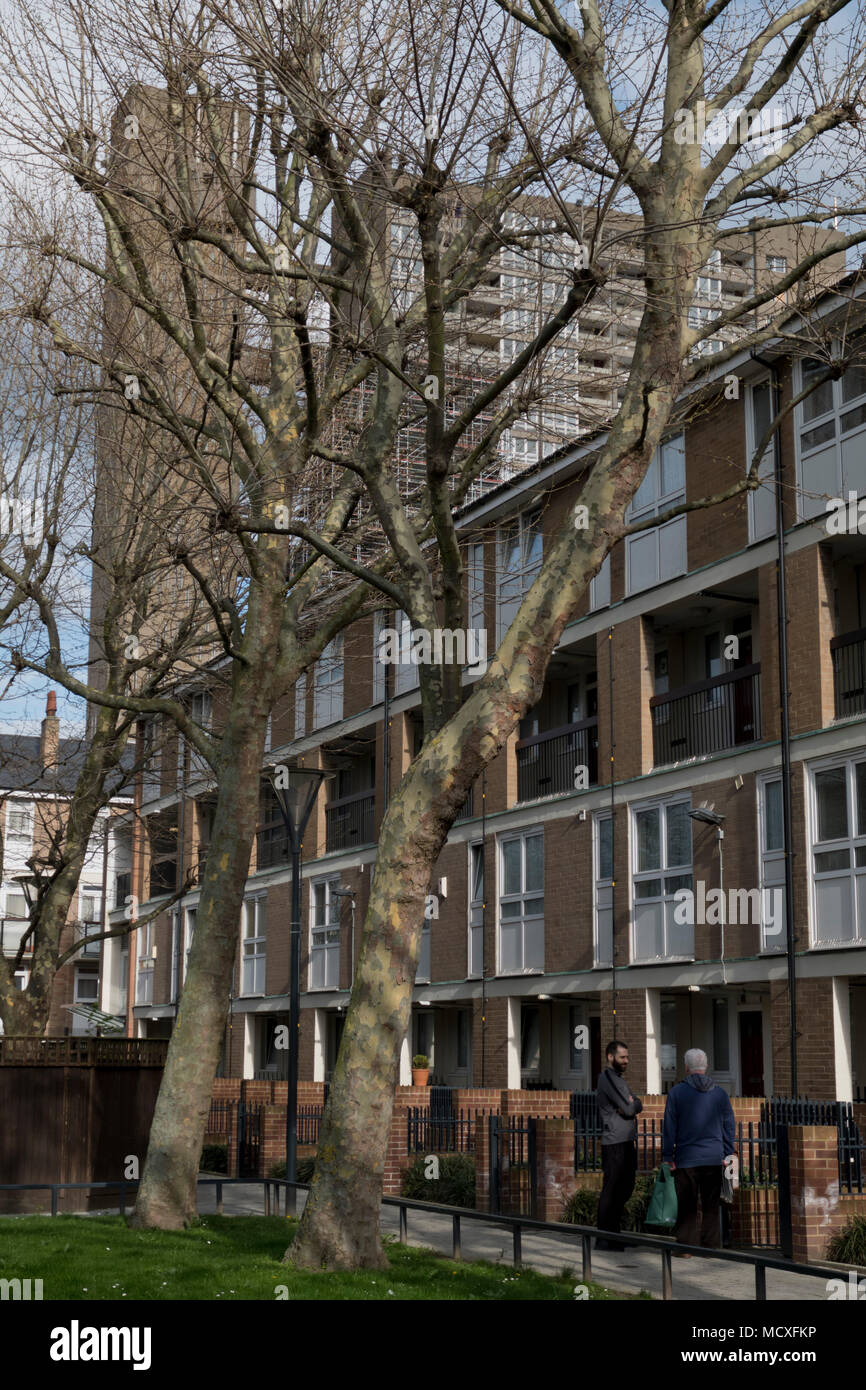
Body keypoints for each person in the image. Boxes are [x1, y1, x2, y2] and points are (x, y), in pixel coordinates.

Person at [662, 1047, 736, 1255]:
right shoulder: (720, 1093)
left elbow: (669, 1126)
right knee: (711, 1204)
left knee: (687, 1204)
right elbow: (729, 1125)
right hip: (713, 1157)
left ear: (686, 1067)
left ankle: (686, 1246)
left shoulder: (676, 1093)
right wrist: (727, 1153)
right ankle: (710, 1246)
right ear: (706, 1066)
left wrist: (669, 1156)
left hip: (686, 1158)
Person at [595, 1039, 643, 1251]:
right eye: (622, 1057)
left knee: (625, 1187)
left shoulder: (619, 1079)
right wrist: (631, 1104)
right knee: (612, 1188)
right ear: (610, 1057)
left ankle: (614, 1233)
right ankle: (605, 1238)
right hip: (614, 1141)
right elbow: (630, 1108)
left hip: (625, 1140)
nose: (626, 1061)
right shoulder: (608, 1078)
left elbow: (636, 1104)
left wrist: (633, 1103)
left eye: (627, 1057)